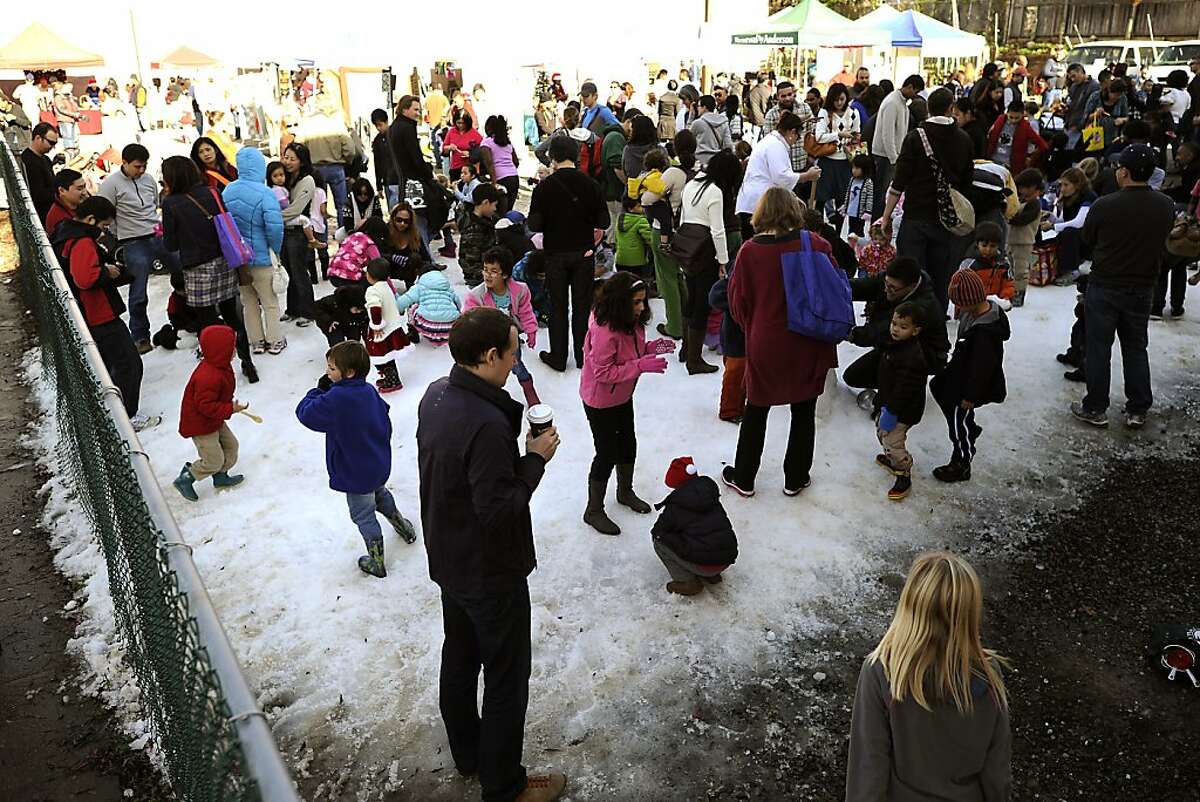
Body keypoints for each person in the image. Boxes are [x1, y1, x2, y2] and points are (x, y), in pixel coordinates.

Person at [415, 307, 564, 802]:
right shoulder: (485, 423)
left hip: (449, 557)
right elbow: (499, 508)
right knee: (504, 675)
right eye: (513, 349)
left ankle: (469, 753)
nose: (518, 357)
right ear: (488, 355)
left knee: (459, 656)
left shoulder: (437, 394)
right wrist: (534, 460)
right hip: (489, 571)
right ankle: (504, 786)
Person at [846, 550, 1011, 801]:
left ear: (909, 608)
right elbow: (996, 774)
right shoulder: (988, 676)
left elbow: (868, 771)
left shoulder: (884, 672)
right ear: (968, 615)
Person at [722, 188, 838, 498]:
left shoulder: (749, 252)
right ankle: (796, 478)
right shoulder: (816, 244)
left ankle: (744, 477)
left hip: (767, 341)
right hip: (810, 340)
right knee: (803, 412)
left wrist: (755, 324)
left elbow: (737, 305)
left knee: (756, 409)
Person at [1070, 144, 1175, 430]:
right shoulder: (1165, 205)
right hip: (1143, 286)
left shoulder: (1105, 205)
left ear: (1124, 172)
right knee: (1136, 346)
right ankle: (1138, 408)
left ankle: (1095, 407)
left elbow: (1088, 238)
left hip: (1106, 284)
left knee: (1099, 348)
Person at [296, 339, 417, 577]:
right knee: (380, 495)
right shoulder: (369, 390)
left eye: (331, 369)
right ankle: (403, 527)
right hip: (376, 462)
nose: (327, 373)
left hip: (354, 470)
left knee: (363, 514)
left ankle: (377, 561)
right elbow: (385, 412)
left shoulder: (336, 399)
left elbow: (306, 413)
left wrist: (318, 391)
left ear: (348, 372)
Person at [49, 196, 159, 432]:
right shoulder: (82, 242)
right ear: (90, 220)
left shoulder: (64, 235)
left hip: (89, 314)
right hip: (99, 314)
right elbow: (85, 278)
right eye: (103, 226)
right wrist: (107, 272)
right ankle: (127, 417)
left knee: (112, 365)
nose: (104, 232)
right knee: (129, 364)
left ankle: (114, 414)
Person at [579, 272, 674, 535]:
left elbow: (630, 350)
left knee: (628, 444)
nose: (642, 308)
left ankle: (624, 491)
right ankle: (593, 510)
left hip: (622, 395)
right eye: (635, 302)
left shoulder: (631, 321)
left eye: (643, 301)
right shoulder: (605, 330)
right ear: (620, 302)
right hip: (600, 400)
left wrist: (650, 348)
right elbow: (603, 372)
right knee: (607, 452)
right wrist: (640, 365)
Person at [160, 156, 259, 383]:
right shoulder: (211, 192)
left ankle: (219, 367)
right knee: (232, 315)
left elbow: (171, 244)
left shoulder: (171, 203)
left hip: (197, 268)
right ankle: (247, 362)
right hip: (223, 261)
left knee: (208, 321)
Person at [877, 88, 975, 314]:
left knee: (909, 275)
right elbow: (967, 181)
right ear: (951, 109)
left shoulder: (915, 138)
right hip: (946, 219)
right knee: (940, 274)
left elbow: (898, 183)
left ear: (928, 108)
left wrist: (885, 217)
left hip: (915, 217)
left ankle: (908, 319)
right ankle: (936, 321)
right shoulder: (963, 139)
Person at [528, 135, 611, 371]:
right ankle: (583, 355)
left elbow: (534, 225)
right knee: (583, 306)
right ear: (576, 156)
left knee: (558, 307)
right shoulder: (591, 185)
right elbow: (603, 221)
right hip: (584, 253)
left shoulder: (544, 188)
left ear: (553, 157)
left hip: (555, 254)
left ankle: (558, 356)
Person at [929, 269, 1010, 482]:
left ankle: (962, 462)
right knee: (937, 386)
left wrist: (970, 397)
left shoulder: (984, 334)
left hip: (969, 387)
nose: (956, 307)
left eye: (959, 303)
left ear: (970, 300)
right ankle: (968, 427)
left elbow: (982, 369)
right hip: (960, 374)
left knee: (958, 421)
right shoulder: (972, 313)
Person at [845, 257, 950, 401]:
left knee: (875, 375)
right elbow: (864, 286)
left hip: (925, 354)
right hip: (896, 344)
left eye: (892, 288)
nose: (886, 290)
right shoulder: (892, 280)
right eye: (886, 284)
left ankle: (904, 391)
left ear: (911, 286)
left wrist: (849, 333)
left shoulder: (922, 306)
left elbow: (881, 332)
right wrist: (836, 286)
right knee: (853, 376)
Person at [679, 151, 741, 374]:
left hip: (688, 249)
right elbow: (717, 230)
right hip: (706, 254)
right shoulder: (716, 192)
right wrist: (723, 261)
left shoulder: (693, 183)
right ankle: (694, 360)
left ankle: (686, 349)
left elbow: (684, 217)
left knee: (691, 298)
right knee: (701, 306)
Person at [223, 147, 286, 355]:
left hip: (238, 260)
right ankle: (275, 340)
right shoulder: (265, 193)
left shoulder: (227, 191)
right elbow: (274, 227)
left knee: (248, 302)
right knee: (269, 302)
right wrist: (274, 251)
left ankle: (256, 342)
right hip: (261, 257)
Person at [172, 325, 247, 501]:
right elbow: (205, 406)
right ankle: (186, 478)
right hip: (200, 425)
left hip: (214, 420)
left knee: (231, 446)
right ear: (220, 350)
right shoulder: (208, 376)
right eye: (231, 347)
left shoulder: (220, 366)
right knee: (213, 459)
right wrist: (230, 409)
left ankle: (220, 477)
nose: (234, 350)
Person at [464, 247, 542, 406]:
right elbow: (467, 320)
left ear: (505, 274)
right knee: (487, 370)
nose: (487, 275)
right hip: (486, 340)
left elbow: (526, 312)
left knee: (516, 365)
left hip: (509, 338)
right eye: (485, 269)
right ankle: (489, 397)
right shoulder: (476, 295)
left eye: (493, 271)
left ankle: (528, 388)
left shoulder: (520, 290)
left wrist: (531, 330)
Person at [649, 456, 738, 596]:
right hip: (725, 558)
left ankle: (687, 582)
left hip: (705, 565)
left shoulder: (677, 505)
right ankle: (711, 575)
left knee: (659, 540)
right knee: (707, 531)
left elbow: (659, 530)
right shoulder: (710, 495)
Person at [872, 301, 928, 501]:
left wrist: (893, 411)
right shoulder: (895, 345)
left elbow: (905, 389)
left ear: (915, 331)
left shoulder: (912, 357)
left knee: (893, 440)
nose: (895, 329)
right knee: (882, 432)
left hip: (904, 409)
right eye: (894, 324)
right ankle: (891, 458)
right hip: (890, 403)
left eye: (903, 327)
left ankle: (903, 471)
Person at [736, 112, 821, 238]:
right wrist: (807, 176)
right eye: (798, 137)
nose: (796, 141)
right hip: (757, 204)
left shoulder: (771, 142)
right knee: (759, 246)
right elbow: (782, 178)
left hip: (757, 202)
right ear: (792, 132)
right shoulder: (775, 145)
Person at [278, 142, 318, 325]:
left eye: (292, 159)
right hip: (284, 231)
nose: (287, 162)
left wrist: (273, 217)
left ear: (302, 162)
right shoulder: (284, 178)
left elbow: (296, 209)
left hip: (298, 232)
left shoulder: (307, 180)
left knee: (299, 272)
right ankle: (293, 308)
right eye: (285, 157)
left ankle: (308, 311)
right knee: (289, 271)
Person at [299, 107, 354, 229]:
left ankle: (322, 239)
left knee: (319, 205)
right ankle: (343, 235)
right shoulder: (335, 125)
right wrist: (346, 161)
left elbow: (299, 147)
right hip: (336, 167)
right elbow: (350, 149)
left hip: (315, 169)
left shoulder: (306, 126)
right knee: (341, 205)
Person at [363, 258, 410, 393]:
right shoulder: (386, 287)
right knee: (389, 354)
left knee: (381, 355)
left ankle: (392, 380)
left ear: (370, 276)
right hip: (393, 326)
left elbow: (375, 308)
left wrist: (377, 326)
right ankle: (391, 377)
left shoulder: (372, 290)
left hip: (382, 330)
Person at [814, 83, 862, 215]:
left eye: (842, 99)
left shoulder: (853, 113)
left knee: (842, 202)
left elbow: (857, 134)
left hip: (845, 161)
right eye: (836, 100)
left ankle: (839, 234)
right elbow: (819, 137)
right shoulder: (825, 113)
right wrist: (839, 134)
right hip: (827, 160)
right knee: (821, 199)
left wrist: (854, 139)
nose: (839, 103)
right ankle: (817, 229)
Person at [1045, 166, 1097, 285]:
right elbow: (1064, 220)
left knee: (1069, 232)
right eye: (1061, 185)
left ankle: (1072, 270)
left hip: (1088, 240)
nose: (1062, 189)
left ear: (1077, 185)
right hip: (1076, 237)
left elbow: (1078, 223)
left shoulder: (1088, 197)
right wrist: (1051, 218)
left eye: (1066, 185)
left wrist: (1053, 226)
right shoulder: (1070, 198)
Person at [873, 76, 924, 197]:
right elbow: (887, 134)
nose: (915, 95)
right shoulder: (892, 102)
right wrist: (894, 159)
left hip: (893, 155)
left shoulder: (902, 103)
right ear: (910, 87)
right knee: (882, 192)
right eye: (915, 92)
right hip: (885, 156)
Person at [394, 261, 462, 346]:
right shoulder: (447, 287)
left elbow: (402, 302)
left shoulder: (418, 287)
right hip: (449, 328)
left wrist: (399, 311)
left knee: (413, 305)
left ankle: (413, 334)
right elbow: (458, 304)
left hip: (427, 326)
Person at [759, 82, 813, 181]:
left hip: (802, 162)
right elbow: (768, 140)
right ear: (777, 97)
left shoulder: (805, 108)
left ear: (793, 94)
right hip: (781, 167)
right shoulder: (772, 114)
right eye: (783, 96)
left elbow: (812, 132)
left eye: (789, 94)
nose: (787, 98)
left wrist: (810, 155)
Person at [1008, 168, 1045, 308]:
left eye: (1023, 187)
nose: (1020, 190)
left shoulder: (1034, 204)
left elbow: (1022, 219)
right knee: (1011, 268)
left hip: (1024, 242)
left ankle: (1020, 293)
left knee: (1020, 270)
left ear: (1032, 187)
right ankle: (1011, 290)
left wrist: (1010, 215)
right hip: (1011, 240)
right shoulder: (1020, 201)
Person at [986, 100, 1047, 174]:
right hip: (993, 161)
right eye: (1011, 117)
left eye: (1017, 118)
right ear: (1007, 113)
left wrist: (1031, 157)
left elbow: (1042, 145)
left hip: (1011, 166)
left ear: (1022, 114)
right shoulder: (1000, 120)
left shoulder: (1026, 127)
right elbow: (990, 134)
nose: (1013, 120)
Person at [460, 184, 501, 287]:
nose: (495, 209)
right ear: (485, 202)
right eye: (494, 205)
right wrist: (487, 276)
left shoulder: (486, 221)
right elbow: (470, 260)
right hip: (479, 279)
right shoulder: (473, 229)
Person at [480, 115, 521, 215]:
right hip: (514, 178)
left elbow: (489, 163)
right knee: (508, 211)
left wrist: (494, 182)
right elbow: (516, 162)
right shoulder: (507, 143)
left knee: (498, 212)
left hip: (500, 179)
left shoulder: (486, 143)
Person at [21, 122, 58, 223]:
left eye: (55, 143)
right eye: (51, 142)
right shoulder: (28, 160)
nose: (53, 147)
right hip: (41, 216)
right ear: (38, 138)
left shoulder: (45, 159)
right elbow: (37, 195)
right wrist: (60, 192)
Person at [832, 154, 874, 239]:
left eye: (857, 168)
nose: (854, 170)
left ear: (864, 169)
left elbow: (870, 198)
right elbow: (848, 194)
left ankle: (859, 247)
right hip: (851, 211)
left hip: (860, 213)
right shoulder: (852, 180)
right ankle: (851, 246)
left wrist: (868, 211)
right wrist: (845, 206)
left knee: (859, 231)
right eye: (853, 168)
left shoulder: (868, 182)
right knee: (851, 231)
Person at [614, 194, 654, 279]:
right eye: (639, 206)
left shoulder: (620, 219)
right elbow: (650, 239)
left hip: (620, 259)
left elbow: (616, 238)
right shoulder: (641, 220)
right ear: (630, 209)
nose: (642, 208)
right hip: (637, 262)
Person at [690, 94, 734, 168]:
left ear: (704, 107)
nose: (697, 108)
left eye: (699, 106)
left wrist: (691, 116)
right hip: (717, 162)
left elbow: (687, 138)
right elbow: (728, 145)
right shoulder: (723, 122)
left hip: (700, 162)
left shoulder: (698, 123)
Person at [370, 108, 401, 208]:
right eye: (376, 126)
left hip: (399, 177)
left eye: (380, 125)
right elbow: (377, 164)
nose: (379, 128)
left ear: (386, 121)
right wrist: (379, 186)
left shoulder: (396, 135)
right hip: (388, 180)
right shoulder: (377, 141)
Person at [44, 168, 87, 236]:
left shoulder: (79, 205)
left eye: (85, 187)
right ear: (62, 190)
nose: (85, 192)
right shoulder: (58, 219)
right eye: (79, 189)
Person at [443, 111, 484, 179]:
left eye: (463, 123)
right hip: (455, 167)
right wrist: (449, 147)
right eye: (458, 123)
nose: (461, 125)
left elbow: (482, 149)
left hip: (469, 169)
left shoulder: (474, 133)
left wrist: (470, 153)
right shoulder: (452, 131)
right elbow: (444, 150)